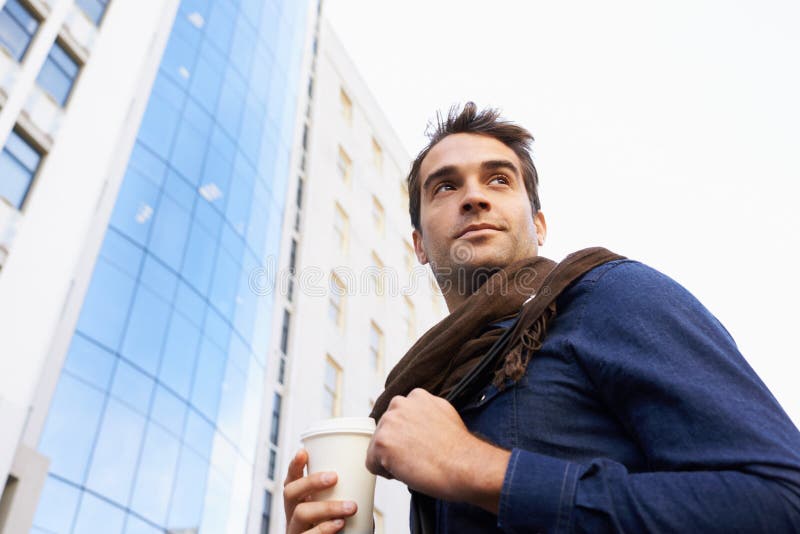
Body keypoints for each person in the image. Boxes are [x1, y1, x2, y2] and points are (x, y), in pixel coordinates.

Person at [283, 102, 800, 533]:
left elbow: (781, 500)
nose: (474, 197)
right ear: (419, 244)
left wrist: (478, 468)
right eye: (444, 187)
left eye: (499, 180)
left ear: (539, 224)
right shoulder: (431, 397)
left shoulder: (608, 295)